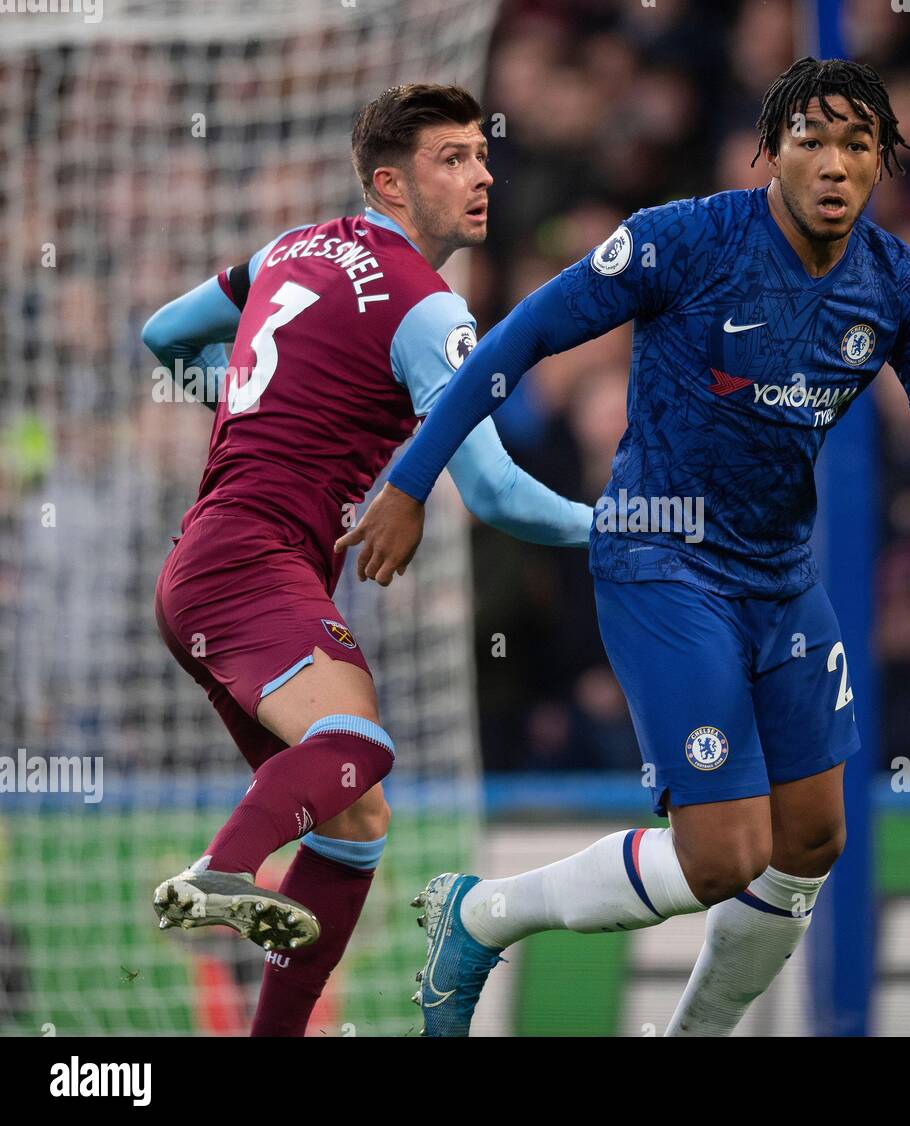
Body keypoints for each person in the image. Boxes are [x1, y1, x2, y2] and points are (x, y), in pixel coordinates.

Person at [339, 58, 910, 1038]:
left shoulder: (896, 285)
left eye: (858, 145)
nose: (835, 163)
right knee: (720, 854)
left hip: (779, 576)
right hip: (661, 558)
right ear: (772, 152)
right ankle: (478, 915)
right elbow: (518, 342)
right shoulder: (685, 240)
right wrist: (412, 480)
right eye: (812, 140)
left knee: (810, 841)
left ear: (881, 161)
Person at [141, 84, 592, 1036]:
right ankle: (224, 868)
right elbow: (498, 494)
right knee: (357, 745)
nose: (482, 175)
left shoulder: (289, 249)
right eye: (452, 159)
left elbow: (164, 334)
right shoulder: (428, 307)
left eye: (481, 155)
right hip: (252, 561)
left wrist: (258, 413)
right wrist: (623, 528)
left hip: (205, 563)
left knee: (356, 821)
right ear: (391, 184)